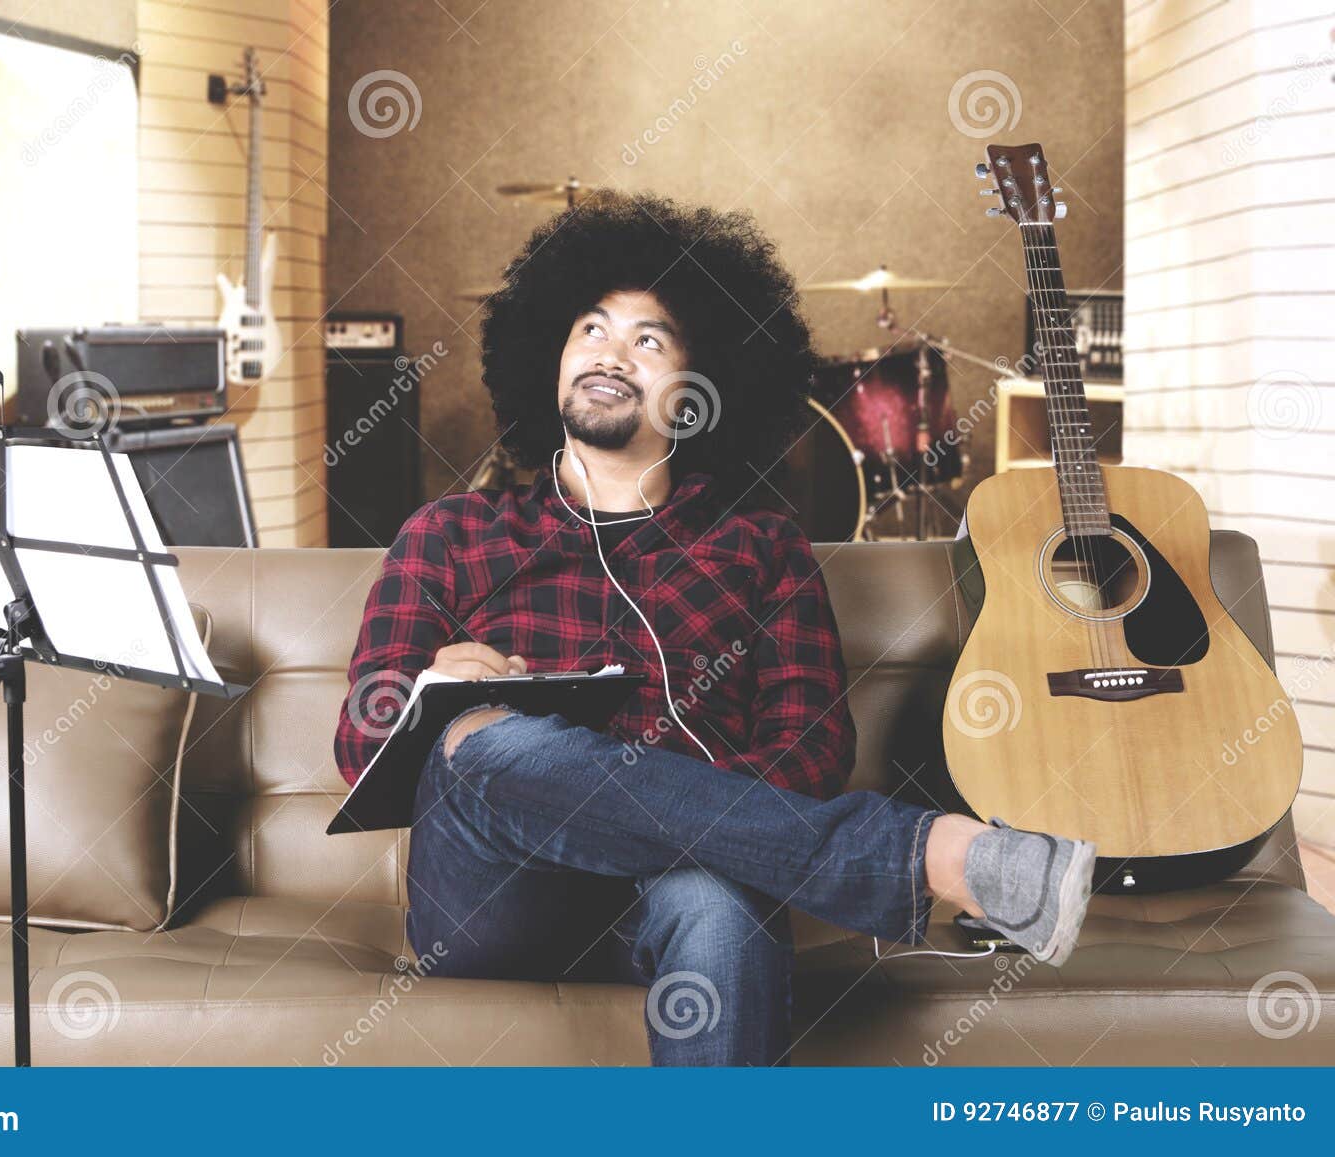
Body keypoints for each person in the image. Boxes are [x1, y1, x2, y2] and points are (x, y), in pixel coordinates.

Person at [332, 192, 1094, 1066]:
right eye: (591, 328)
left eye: (649, 341)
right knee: (480, 736)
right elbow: (359, 746)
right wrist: (434, 695)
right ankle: (927, 856)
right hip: (494, 902)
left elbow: (811, 752)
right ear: (549, 354)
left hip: (685, 888)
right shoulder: (451, 532)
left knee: (720, 906)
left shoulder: (761, 548)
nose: (611, 353)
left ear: (701, 390)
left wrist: (656, 810)